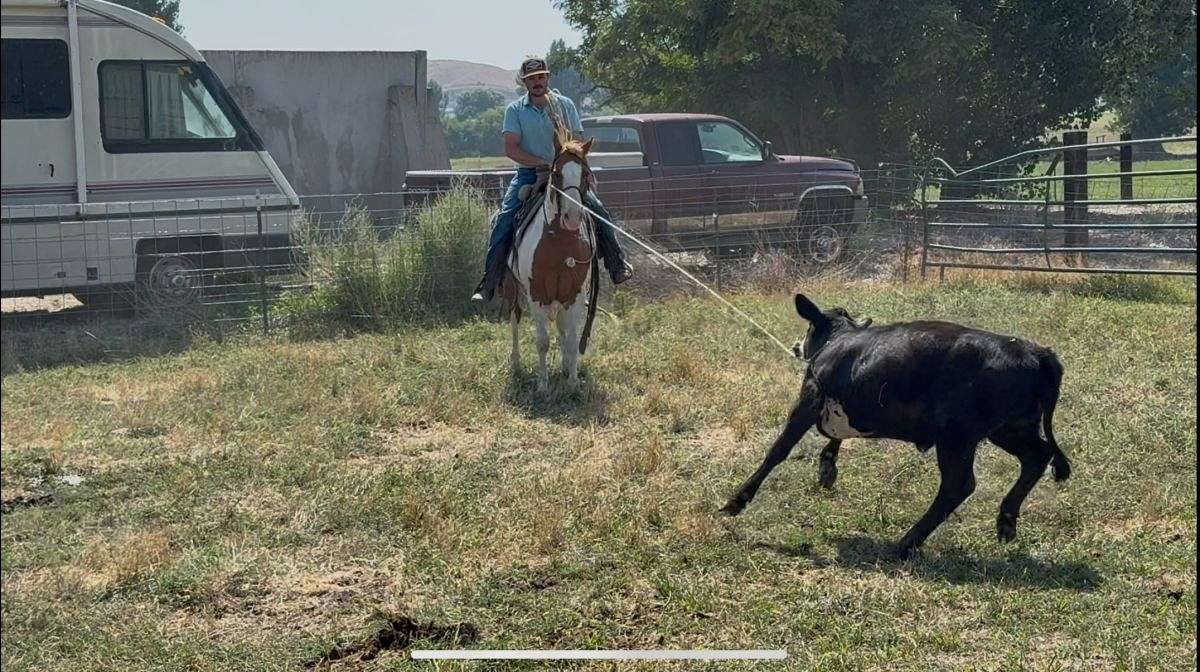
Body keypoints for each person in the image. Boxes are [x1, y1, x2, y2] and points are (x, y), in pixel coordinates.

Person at [471, 56, 633, 303]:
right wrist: (543, 164)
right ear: (525, 83)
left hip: (567, 174)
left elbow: (578, 142)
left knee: (599, 212)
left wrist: (580, 171)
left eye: (541, 77)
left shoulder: (565, 105)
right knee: (504, 219)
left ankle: (616, 265)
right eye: (532, 79)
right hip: (530, 174)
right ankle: (489, 282)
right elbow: (511, 149)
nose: (537, 82)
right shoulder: (515, 110)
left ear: (548, 77)